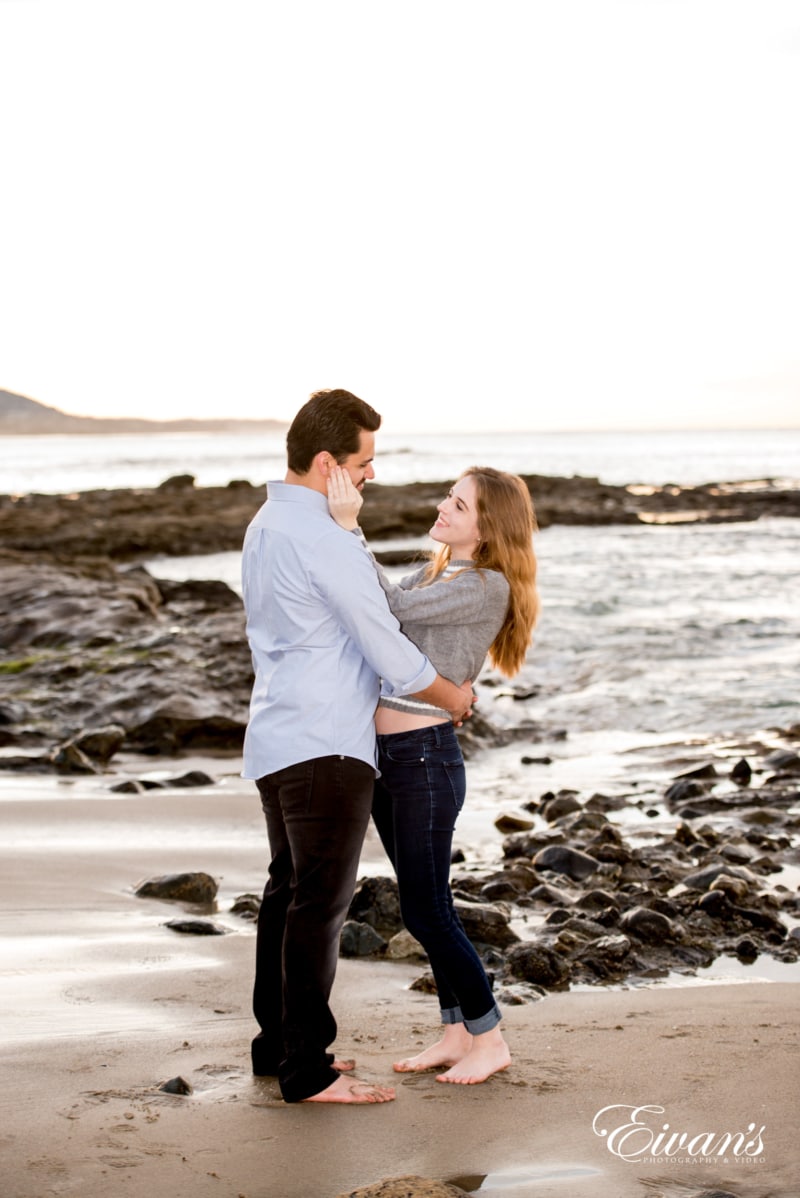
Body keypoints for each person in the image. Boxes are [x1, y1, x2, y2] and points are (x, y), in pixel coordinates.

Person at [241, 388, 475, 1106]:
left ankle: (278, 1046)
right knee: (319, 904)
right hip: (327, 746)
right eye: (363, 462)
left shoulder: (265, 525)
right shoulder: (321, 538)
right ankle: (306, 1071)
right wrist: (452, 697)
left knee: (288, 894)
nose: (371, 474)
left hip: (277, 736)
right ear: (326, 463)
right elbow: (387, 645)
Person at [327, 462, 539, 1085]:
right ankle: (454, 1032)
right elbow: (387, 613)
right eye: (449, 498)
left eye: (460, 506)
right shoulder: (440, 569)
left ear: (487, 527)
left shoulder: (485, 584)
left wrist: (350, 529)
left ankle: (490, 1036)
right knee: (431, 902)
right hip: (392, 760)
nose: (444, 509)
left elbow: (387, 607)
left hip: (425, 761)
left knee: (425, 913)